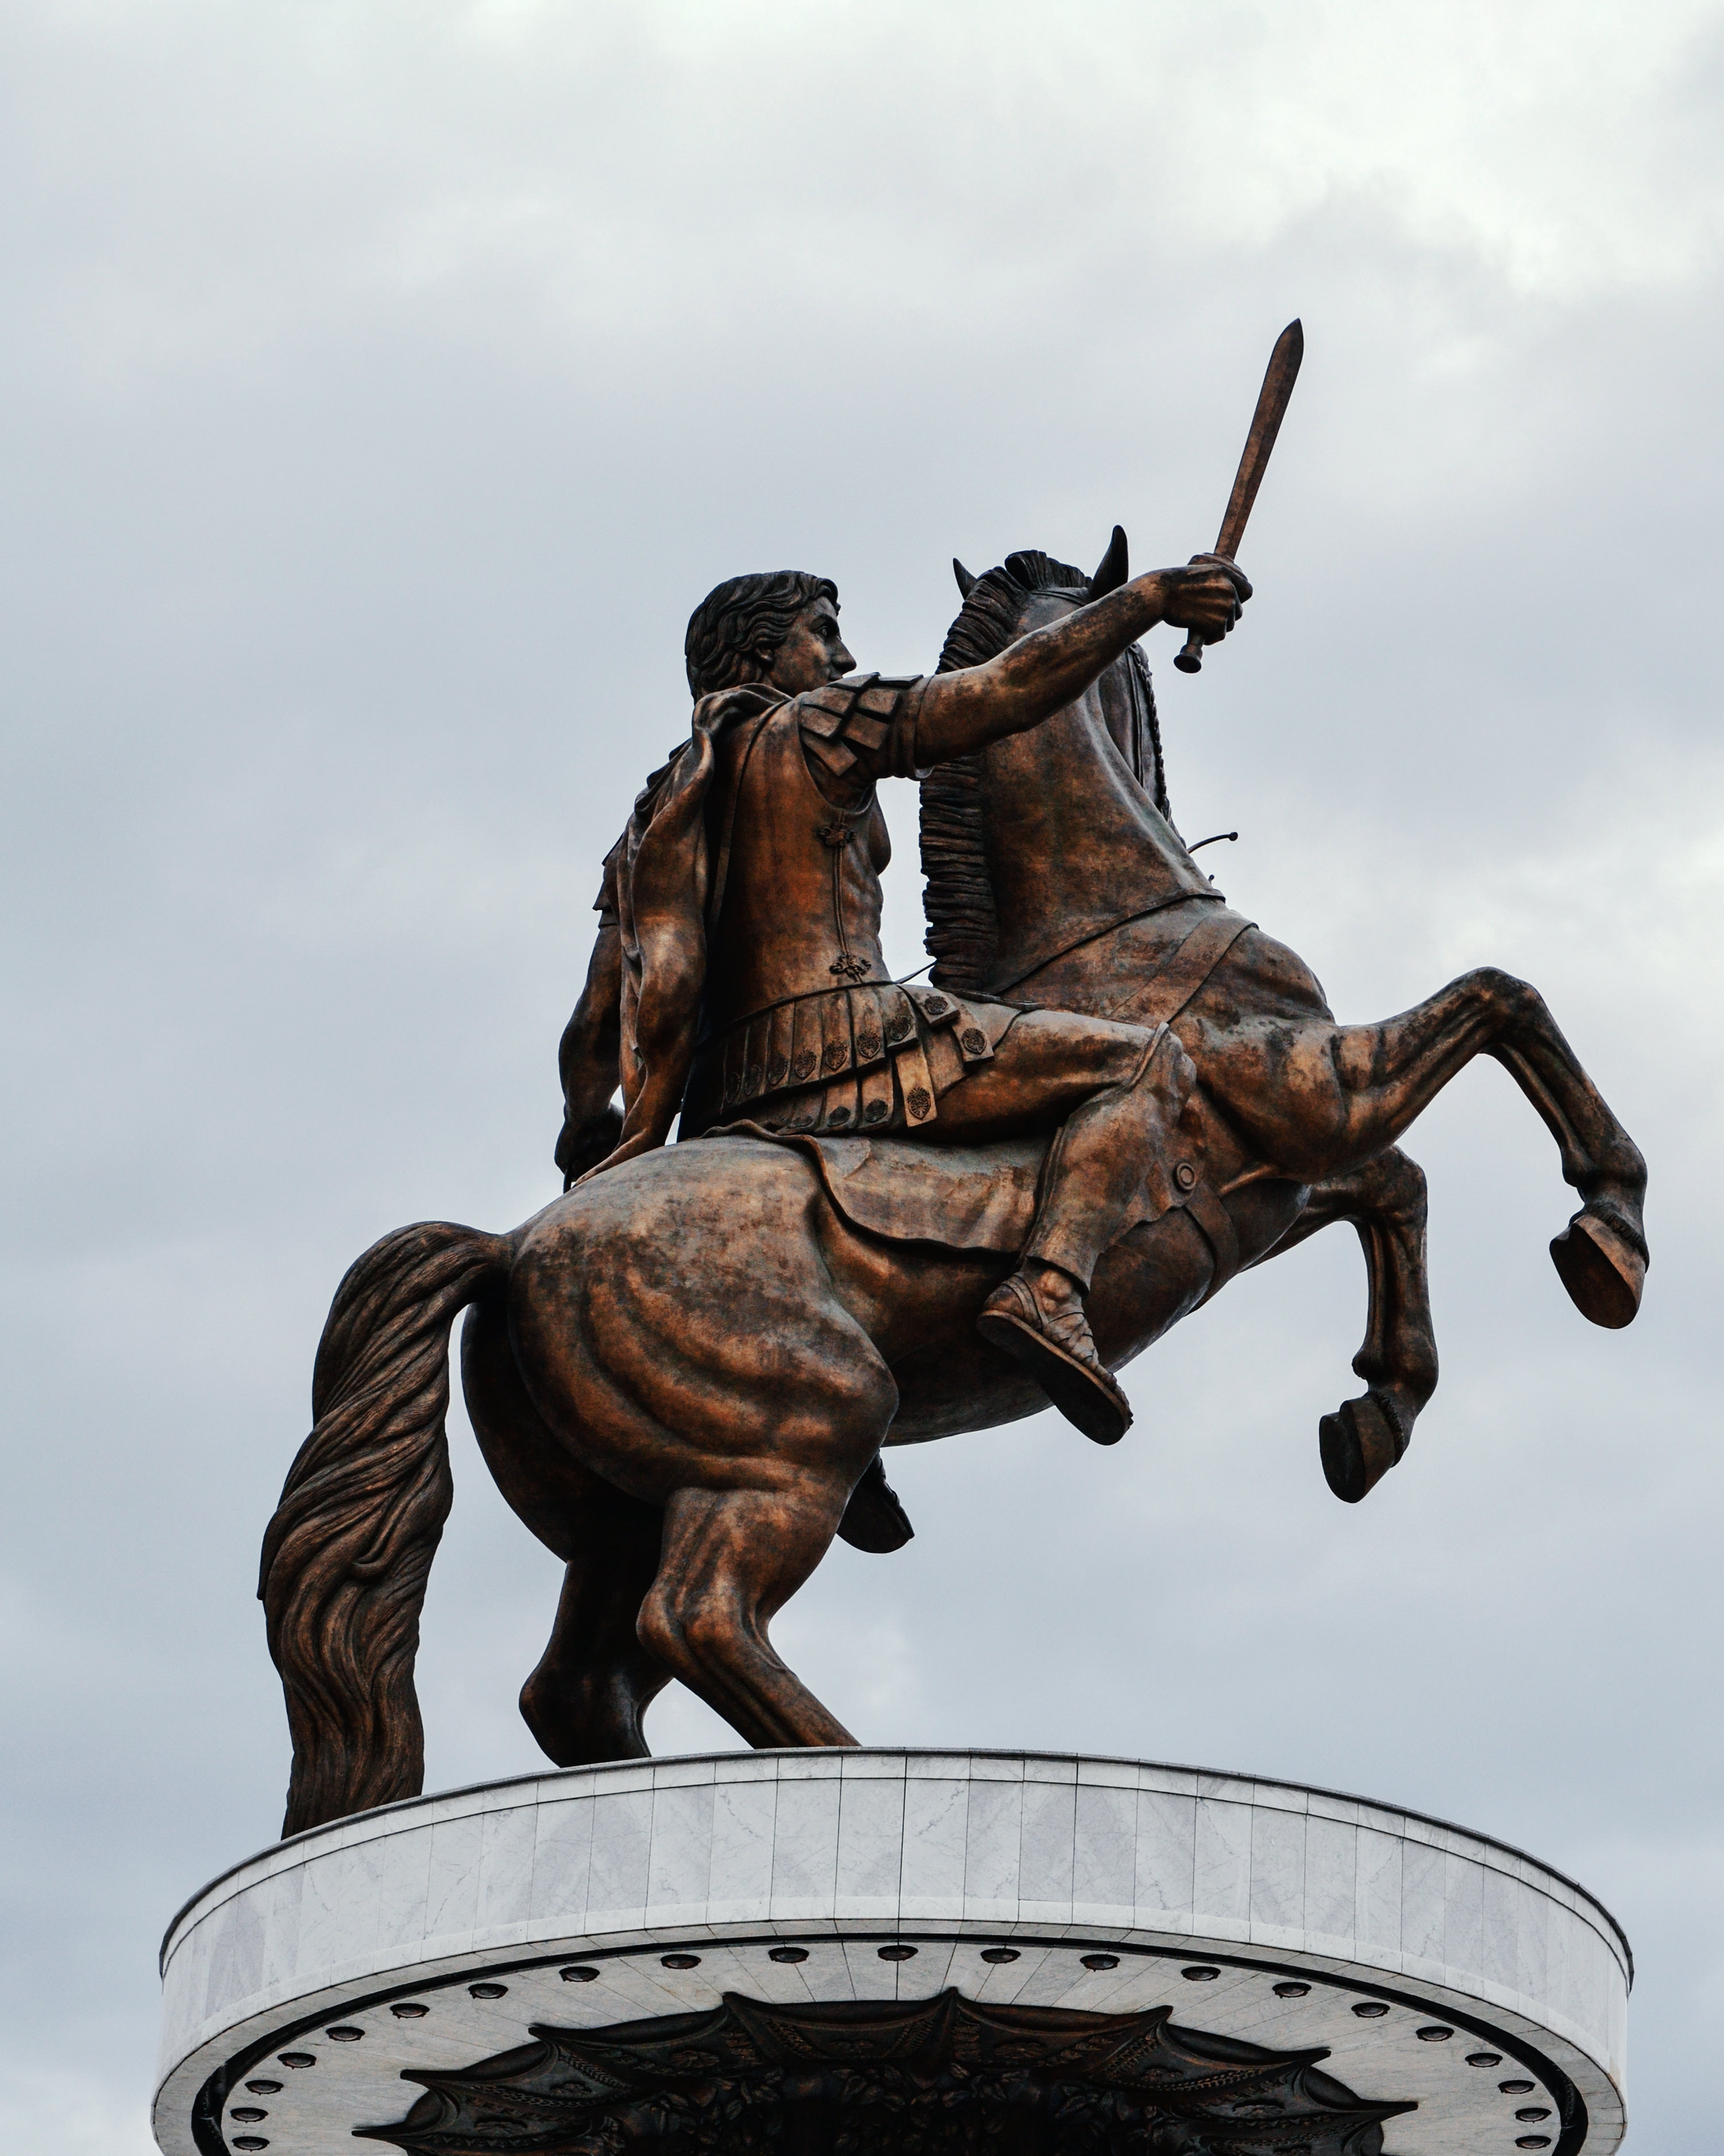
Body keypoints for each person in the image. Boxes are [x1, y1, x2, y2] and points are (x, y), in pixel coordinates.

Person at [554, 552, 1248, 1444]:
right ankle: (1050, 1287)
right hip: (856, 1048)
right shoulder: (820, 725)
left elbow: (591, 1024)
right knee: (1148, 1059)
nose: (841, 658)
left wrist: (592, 1133)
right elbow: (1003, 691)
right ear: (763, 657)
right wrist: (1146, 599)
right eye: (822, 633)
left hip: (722, 1108)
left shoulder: (657, 812)